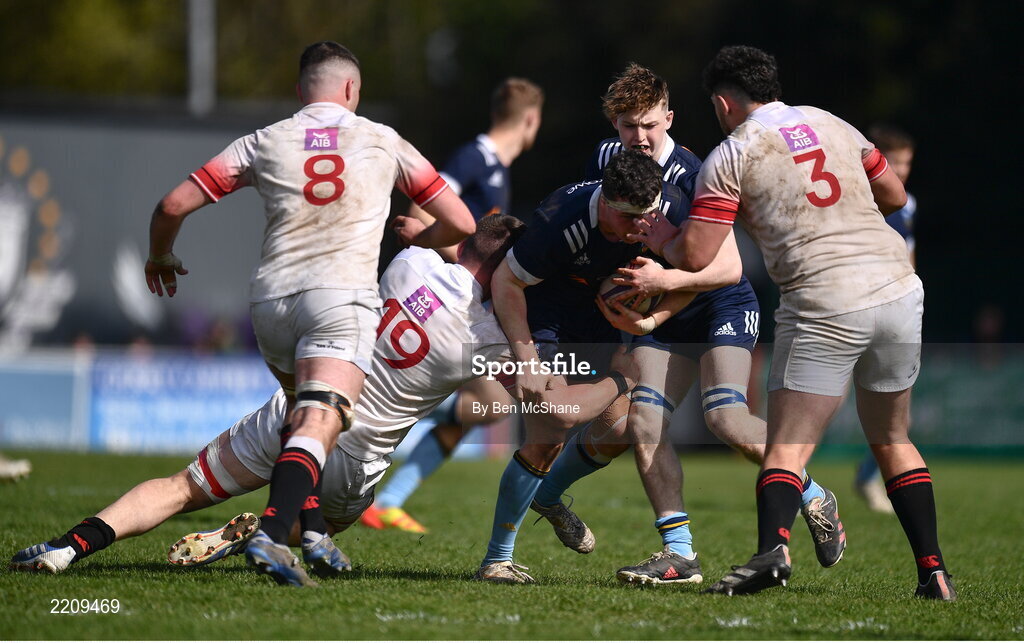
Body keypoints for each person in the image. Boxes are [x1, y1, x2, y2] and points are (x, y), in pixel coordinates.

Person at [10, 218, 637, 584]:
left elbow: (447, 244)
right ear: (510, 273)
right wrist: (618, 382)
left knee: (180, 485)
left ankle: (67, 547)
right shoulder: (488, 341)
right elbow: (551, 412)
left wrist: (442, 234)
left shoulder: (411, 262)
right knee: (331, 524)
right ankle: (268, 526)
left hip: (303, 410)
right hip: (353, 460)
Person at [140, 41, 476, 585]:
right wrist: (426, 235)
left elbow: (170, 206)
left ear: (301, 92)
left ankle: (310, 527)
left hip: (270, 305)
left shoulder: (264, 140)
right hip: (339, 302)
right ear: (351, 90)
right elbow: (460, 223)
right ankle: (278, 535)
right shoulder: (383, 139)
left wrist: (159, 255)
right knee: (319, 422)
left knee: (304, 418)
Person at [634, 45, 954, 600]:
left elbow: (695, 254)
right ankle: (934, 574)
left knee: (786, 447)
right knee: (893, 438)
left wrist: (660, 235)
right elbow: (895, 196)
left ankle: (771, 553)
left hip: (825, 298)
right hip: (899, 289)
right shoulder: (832, 122)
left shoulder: (731, 153)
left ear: (721, 102)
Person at [531, 62, 844, 585]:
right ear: (614, 125)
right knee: (642, 423)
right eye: (629, 126)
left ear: (669, 118)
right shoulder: (608, 160)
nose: (640, 137)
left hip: (719, 303)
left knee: (726, 420)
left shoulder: (697, 173)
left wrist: (662, 290)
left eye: (650, 125)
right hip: (660, 316)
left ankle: (814, 496)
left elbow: (729, 267)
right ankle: (680, 554)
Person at [476, 150, 698, 584]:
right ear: (608, 203)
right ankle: (497, 560)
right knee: (553, 423)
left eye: (647, 215)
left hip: (605, 320)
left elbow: (712, 272)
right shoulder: (560, 218)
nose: (642, 228)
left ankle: (548, 494)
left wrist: (659, 300)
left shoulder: (665, 209)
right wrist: (528, 360)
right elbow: (507, 281)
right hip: (550, 316)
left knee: (622, 429)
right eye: (631, 218)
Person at [362, 78, 544, 534]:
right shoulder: (476, 159)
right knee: (493, 404)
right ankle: (388, 489)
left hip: (463, 306)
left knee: (489, 407)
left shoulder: (496, 170)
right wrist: (464, 261)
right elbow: (424, 211)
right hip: (449, 300)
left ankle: (389, 500)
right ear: (530, 119)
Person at [853, 124, 917, 514]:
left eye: (908, 162)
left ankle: (868, 478)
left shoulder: (907, 203)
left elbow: (909, 253)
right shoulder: (860, 197)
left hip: (896, 308)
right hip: (853, 306)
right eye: (895, 161)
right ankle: (795, 482)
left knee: (897, 414)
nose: (903, 169)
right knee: (824, 403)